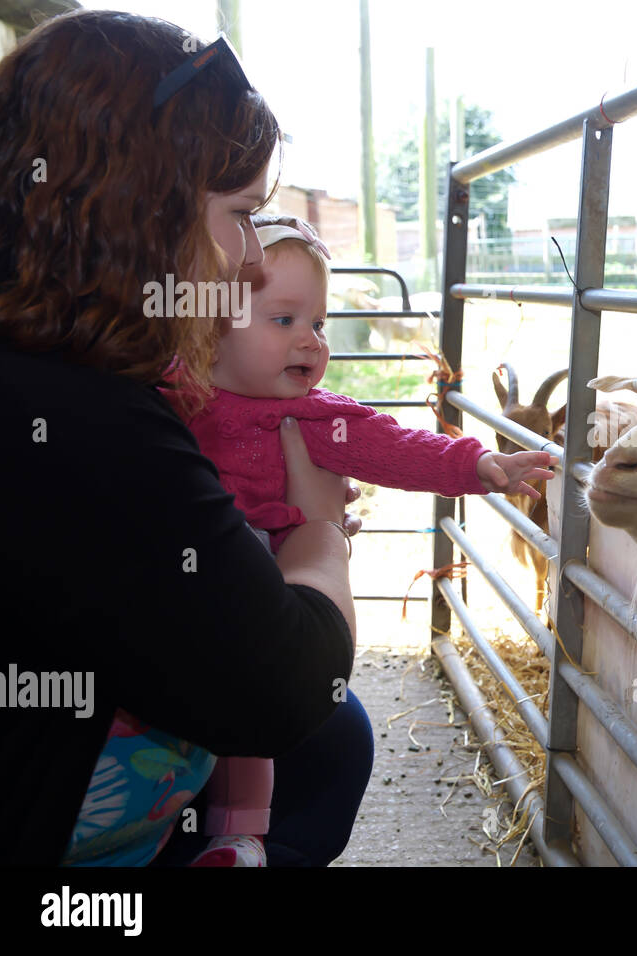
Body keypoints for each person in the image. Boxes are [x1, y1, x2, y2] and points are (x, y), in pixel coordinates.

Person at [0, 10, 374, 866]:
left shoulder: (40, 363)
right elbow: (287, 687)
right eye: (241, 214)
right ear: (145, 210)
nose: (248, 260)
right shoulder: (82, 423)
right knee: (331, 734)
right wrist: (319, 532)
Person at [173, 224, 556, 865]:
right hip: (183, 593)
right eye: (284, 318)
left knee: (249, 708)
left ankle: (238, 834)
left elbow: (393, 446)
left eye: (319, 323)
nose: (310, 340)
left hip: (263, 597)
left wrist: (477, 464)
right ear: (211, 326)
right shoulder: (174, 399)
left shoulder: (315, 418)